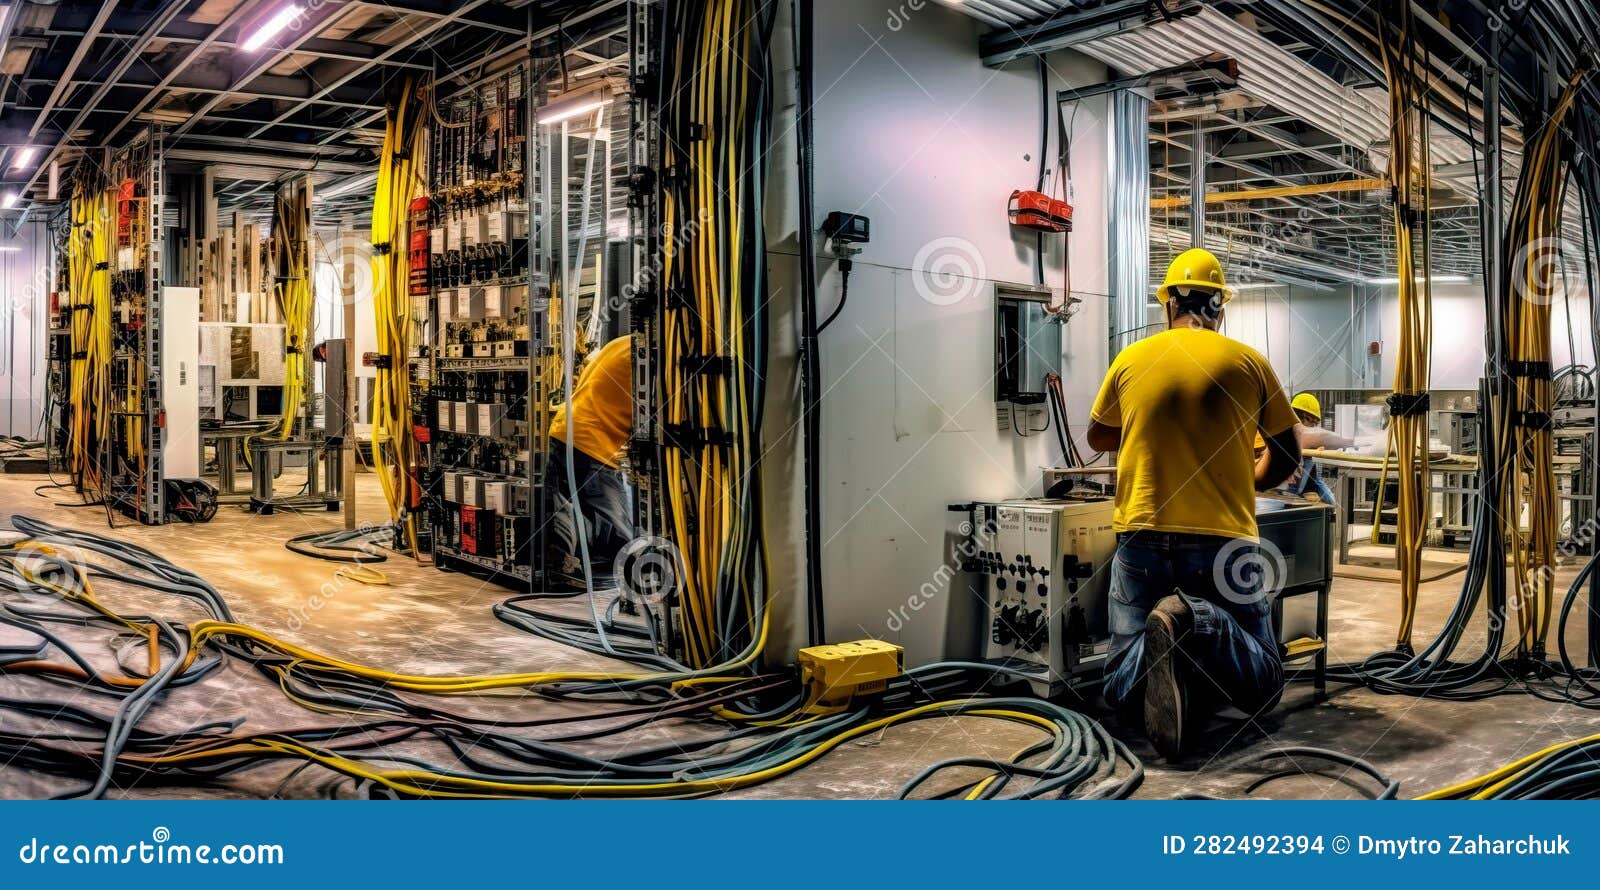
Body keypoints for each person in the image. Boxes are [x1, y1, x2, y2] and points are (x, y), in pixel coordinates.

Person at [1086, 248, 1301, 760]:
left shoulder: (1131, 358)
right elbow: (1288, 453)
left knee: (1116, 685)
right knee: (1265, 683)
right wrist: (1255, 477)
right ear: (1219, 308)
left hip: (1141, 535)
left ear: (1167, 307)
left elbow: (1098, 436)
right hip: (1223, 541)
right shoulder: (1248, 362)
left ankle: (1173, 631)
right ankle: (1197, 617)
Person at [546, 334, 636, 586]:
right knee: (615, 519)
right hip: (591, 441)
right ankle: (638, 577)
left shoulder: (620, 343)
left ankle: (565, 569)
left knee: (568, 509)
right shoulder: (647, 356)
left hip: (568, 428)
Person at [1284, 392, 1353, 505]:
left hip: (1311, 485)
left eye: (1316, 424)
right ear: (1297, 417)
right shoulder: (1289, 435)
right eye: (1311, 421)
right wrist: (1349, 441)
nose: (1313, 427)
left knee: (1332, 504)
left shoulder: (1307, 440)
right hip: (1290, 490)